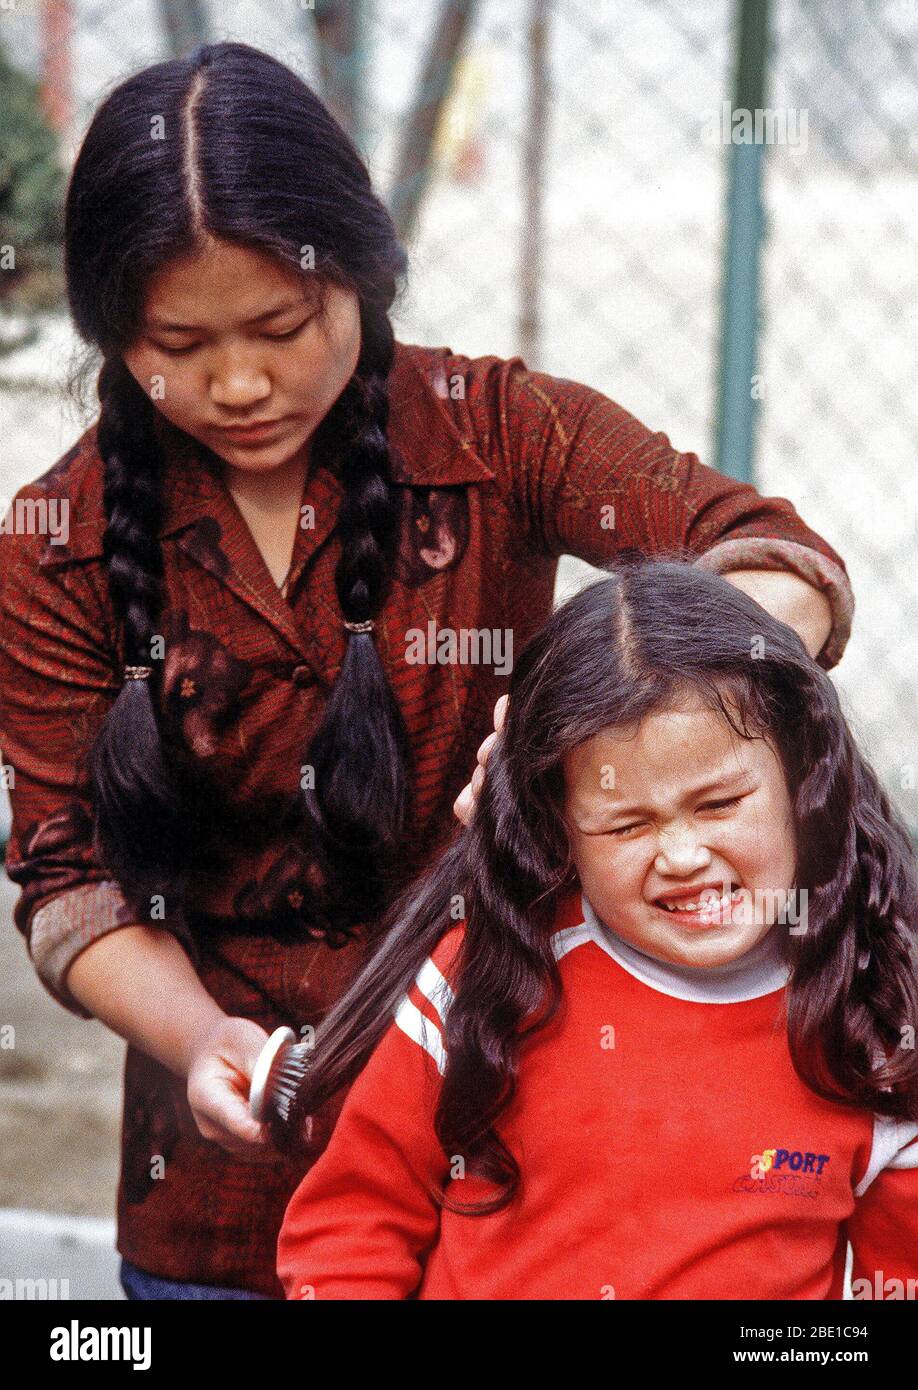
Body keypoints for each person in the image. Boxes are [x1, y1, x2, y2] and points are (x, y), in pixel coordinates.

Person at [0, 41, 853, 1300]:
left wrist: (598, 712)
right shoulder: (58, 540)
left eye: (283, 327)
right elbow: (68, 881)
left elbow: (782, 561)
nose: (239, 384)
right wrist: (206, 1041)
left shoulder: (499, 431)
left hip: (517, 1158)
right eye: (176, 344)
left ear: (358, 270)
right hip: (221, 1190)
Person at [276, 560, 918, 1300]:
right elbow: (350, 1227)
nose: (682, 856)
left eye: (718, 804)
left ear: (807, 780)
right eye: (627, 823)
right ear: (557, 831)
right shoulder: (485, 977)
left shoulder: (873, 1018)